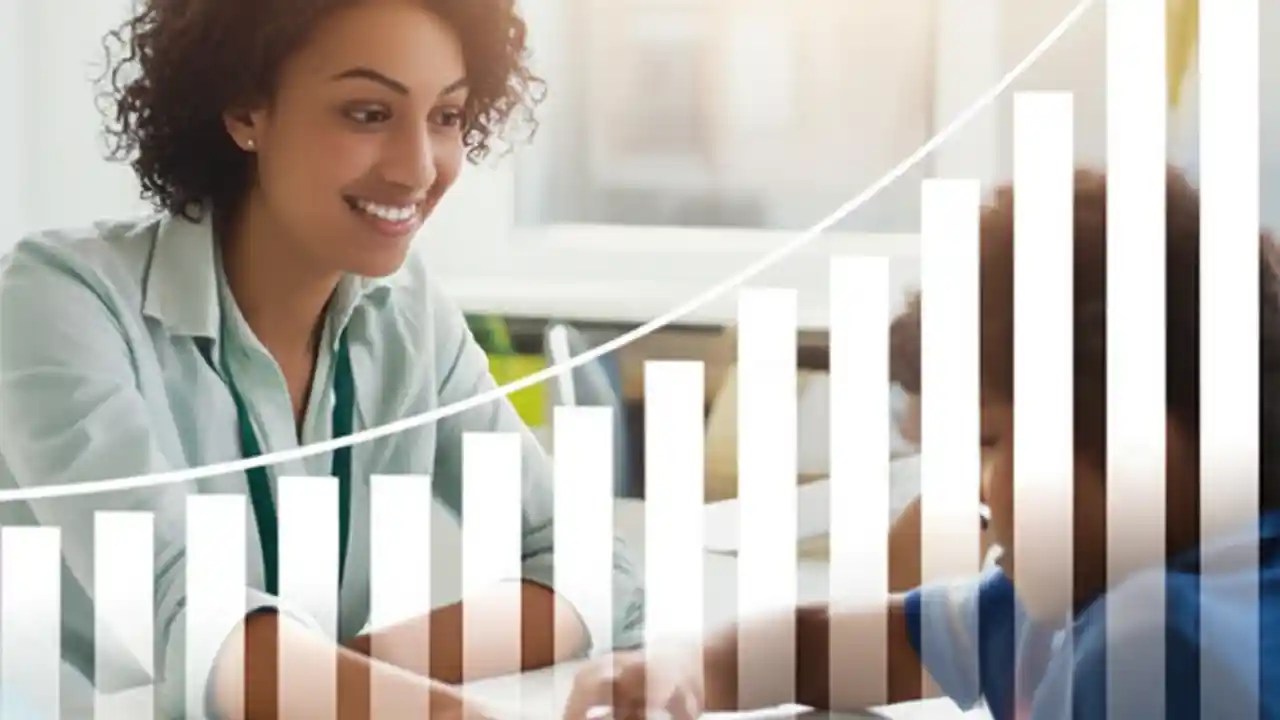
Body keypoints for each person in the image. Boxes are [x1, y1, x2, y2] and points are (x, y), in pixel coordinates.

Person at [0, 0, 643, 717]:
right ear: (246, 111)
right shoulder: (60, 297)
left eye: (447, 117)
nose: (418, 169)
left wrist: (357, 671)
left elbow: (597, 571)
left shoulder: (406, 316)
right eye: (367, 113)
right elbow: (183, 616)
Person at [563, 167, 1280, 719]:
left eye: (990, 442)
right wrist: (691, 666)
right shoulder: (1097, 582)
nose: (976, 485)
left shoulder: (1161, 645)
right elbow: (833, 646)